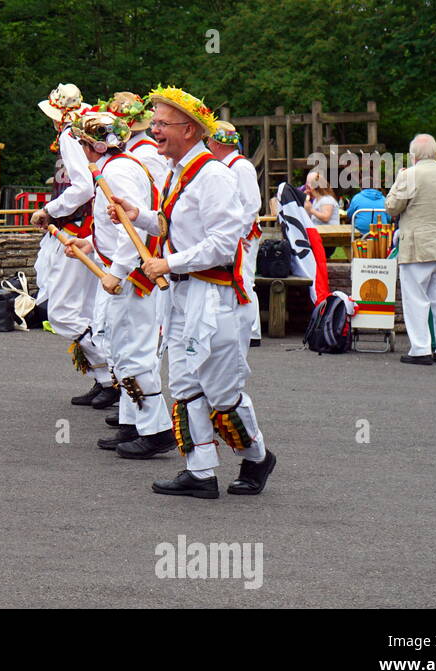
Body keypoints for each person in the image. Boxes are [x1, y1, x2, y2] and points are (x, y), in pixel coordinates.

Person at [112, 86, 276, 499]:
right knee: (185, 385)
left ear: (189, 129)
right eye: (154, 123)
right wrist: (140, 217)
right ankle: (200, 472)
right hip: (184, 297)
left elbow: (224, 244)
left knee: (221, 391)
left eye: (162, 124)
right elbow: (173, 226)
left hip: (216, 298)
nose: (155, 130)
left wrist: (169, 263)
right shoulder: (179, 172)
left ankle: (257, 456)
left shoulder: (215, 176)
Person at [60, 101, 177, 459]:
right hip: (124, 271)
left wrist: (116, 271)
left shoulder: (119, 172)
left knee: (134, 353)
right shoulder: (115, 167)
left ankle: (156, 430)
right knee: (121, 350)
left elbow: (131, 230)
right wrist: (89, 244)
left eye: (80, 145)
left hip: (133, 277)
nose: (77, 152)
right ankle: (133, 422)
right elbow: (113, 229)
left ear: (94, 146)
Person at [30, 84, 119, 410]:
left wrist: (48, 210)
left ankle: (114, 377)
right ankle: (104, 379)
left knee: (63, 313)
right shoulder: (80, 133)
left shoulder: (71, 136)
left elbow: (83, 187)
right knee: (84, 310)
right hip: (86, 231)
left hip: (76, 232)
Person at [385, 134, 436, 365]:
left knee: (416, 300)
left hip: (417, 247)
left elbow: (392, 207)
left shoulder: (408, 175)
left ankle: (420, 349)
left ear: (413, 156)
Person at [208, 120, 262, 348]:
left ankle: (252, 330)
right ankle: (243, 328)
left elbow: (251, 204)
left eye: (209, 140)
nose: (207, 145)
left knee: (244, 278)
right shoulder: (228, 165)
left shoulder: (240, 166)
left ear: (217, 143)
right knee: (238, 278)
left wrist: (238, 235)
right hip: (236, 233)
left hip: (243, 235)